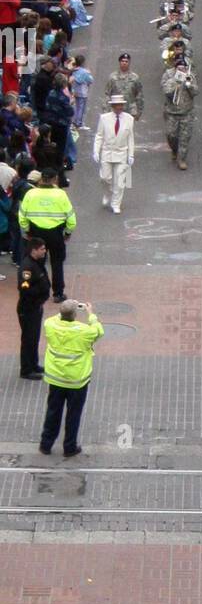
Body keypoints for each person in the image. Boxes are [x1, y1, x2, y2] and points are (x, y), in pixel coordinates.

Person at [38, 299, 104, 458]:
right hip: (77, 381)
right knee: (73, 415)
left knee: (53, 411)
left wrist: (66, 307)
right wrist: (90, 314)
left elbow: (56, 317)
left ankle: (46, 444)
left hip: (56, 379)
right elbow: (99, 331)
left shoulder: (50, 325)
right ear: (75, 314)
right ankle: (69, 446)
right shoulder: (84, 331)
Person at [18, 167, 76, 302]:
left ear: (40, 179)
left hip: (36, 234)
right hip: (56, 234)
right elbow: (71, 219)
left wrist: (27, 231)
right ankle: (58, 293)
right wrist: (67, 233)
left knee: (36, 264)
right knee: (57, 263)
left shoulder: (30, 194)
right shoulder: (61, 195)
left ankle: (38, 289)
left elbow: (22, 216)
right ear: (55, 179)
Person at [93, 93, 135, 214]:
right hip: (107, 152)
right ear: (113, 106)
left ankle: (116, 203)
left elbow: (130, 138)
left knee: (121, 181)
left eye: (121, 105)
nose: (119, 108)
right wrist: (96, 151)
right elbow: (99, 135)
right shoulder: (104, 118)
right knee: (105, 177)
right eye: (117, 105)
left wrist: (131, 154)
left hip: (122, 153)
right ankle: (108, 192)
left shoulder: (129, 119)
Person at [17, 236, 50, 379]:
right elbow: (24, 287)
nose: (45, 251)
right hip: (28, 308)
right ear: (34, 250)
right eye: (42, 249)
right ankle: (26, 370)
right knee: (28, 339)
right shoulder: (27, 267)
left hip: (36, 307)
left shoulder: (36, 262)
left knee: (34, 337)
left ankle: (34, 364)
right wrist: (39, 293)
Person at [162, 56, 197, 169]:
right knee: (171, 135)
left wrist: (189, 85)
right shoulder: (169, 77)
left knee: (184, 137)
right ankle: (174, 149)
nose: (182, 70)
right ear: (176, 68)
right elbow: (166, 91)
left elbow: (196, 92)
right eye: (179, 68)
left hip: (186, 112)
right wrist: (176, 82)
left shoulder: (190, 77)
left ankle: (182, 159)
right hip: (172, 112)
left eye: (184, 68)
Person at [103, 53, 144, 119]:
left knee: (127, 129)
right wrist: (106, 110)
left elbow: (139, 95)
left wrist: (139, 111)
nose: (124, 63)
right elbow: (107, 94)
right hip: (115, 110)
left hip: (130, 110)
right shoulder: (113, 77)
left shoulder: (135, 78)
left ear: (129, 63)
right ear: (119, 62)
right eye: (122, 61)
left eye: (126, 61)